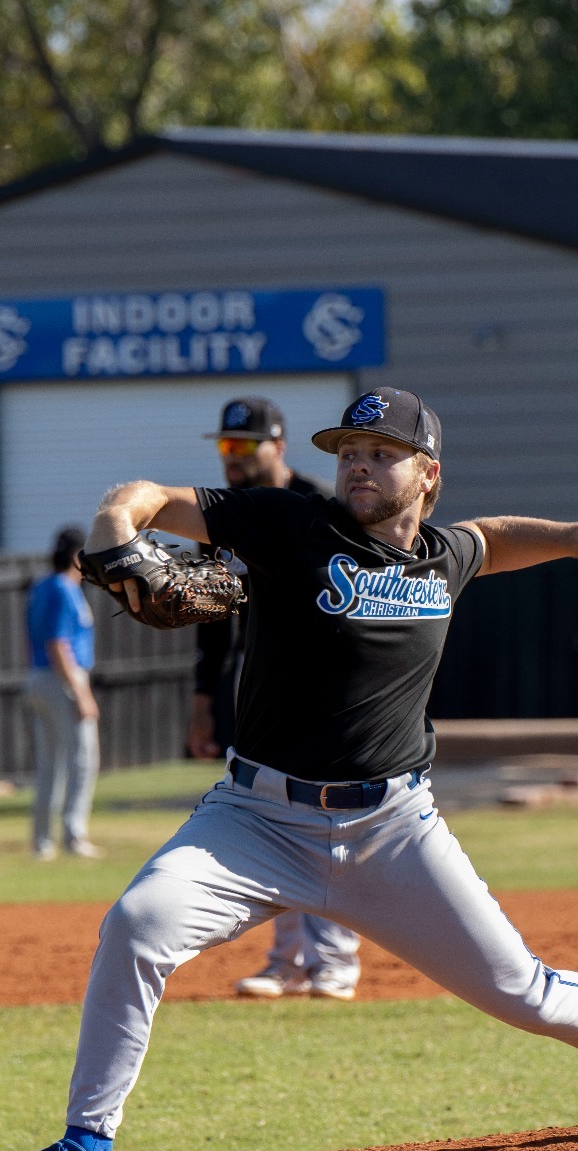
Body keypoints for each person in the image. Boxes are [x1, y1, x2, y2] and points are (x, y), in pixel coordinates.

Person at [0, 387, 578, 1151]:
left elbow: (494, 539)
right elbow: (154, 497)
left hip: (393, 830)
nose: (358, 464)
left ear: (427, 473)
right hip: (255, 819)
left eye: (380, 451)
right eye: (348, 452)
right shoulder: (289, 524)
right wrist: (118, 520)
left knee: (524, 990)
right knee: (136, 924)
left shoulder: (444, 557)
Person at [190, 395, 362, 1003]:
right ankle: (286, 960)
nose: (232, 459)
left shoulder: (321, 506)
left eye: (244, 446)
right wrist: (203, 700)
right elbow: (212, 624)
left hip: (325, 692)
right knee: (269, 824)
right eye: (225, 447)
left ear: (278, 447)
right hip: (257, 693)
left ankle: (334, 961)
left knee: (326, 825)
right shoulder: (224, 519)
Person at [23, 526, 102, 860]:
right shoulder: (63, 588)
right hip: (62, 678)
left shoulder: (42, 586)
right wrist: (80, 691)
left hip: (38, 677)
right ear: (76, 556)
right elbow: (57, 643)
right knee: (82, 759)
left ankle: (43, 842)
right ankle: (74, 835)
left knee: (50, 763)